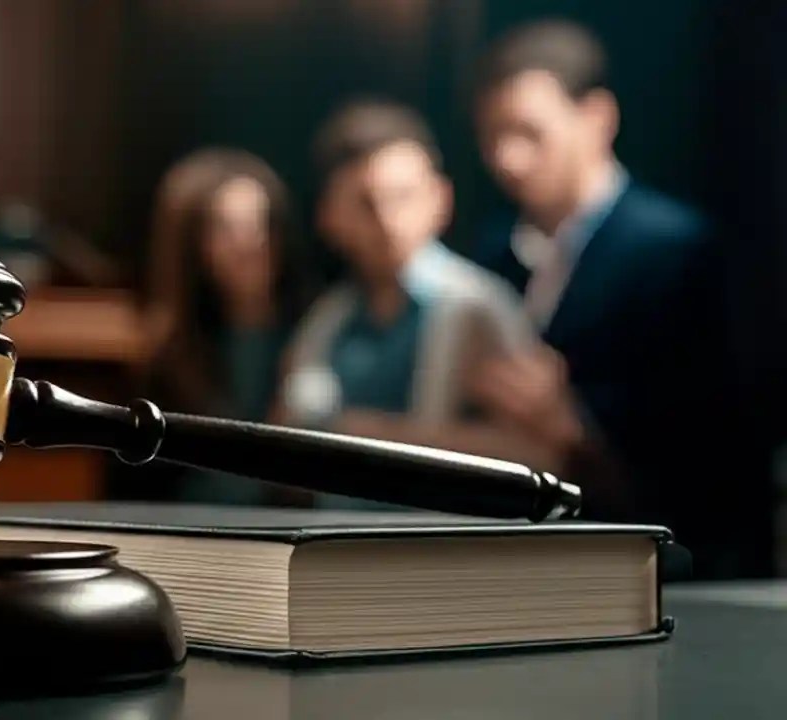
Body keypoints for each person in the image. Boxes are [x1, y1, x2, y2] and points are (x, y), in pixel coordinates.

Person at [468, 20, 733, 560]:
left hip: (656, 558)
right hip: (518, 559)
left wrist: (571, 425)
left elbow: (713, 446)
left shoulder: (675, 248)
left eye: (528, 133)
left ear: (597, 118)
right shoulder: (491, 256)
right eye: (492, 136)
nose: (507, 159)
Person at [272, 100, 556, 510]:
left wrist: (377, 437)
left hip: (439, 555)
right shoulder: (325, 322)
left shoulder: (477, 308)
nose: (389, 220)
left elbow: (540, 460)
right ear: (329, 216)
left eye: (403, 196)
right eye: (367, 203)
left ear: (441, 197)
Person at [137, 148, 315, 504]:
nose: (249, 243)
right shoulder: (167, 360)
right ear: (191, 247)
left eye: (261, 223)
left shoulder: (320, 331)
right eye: (225, 228)